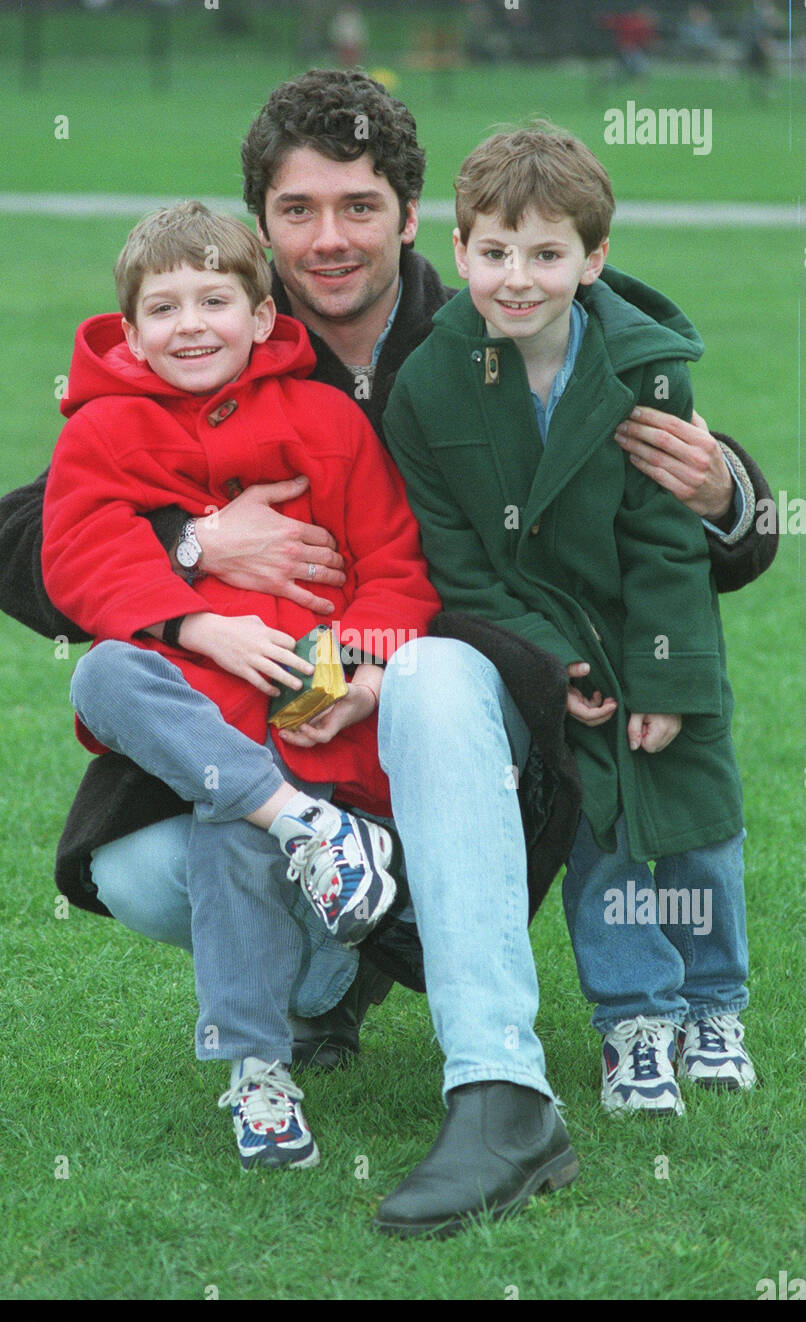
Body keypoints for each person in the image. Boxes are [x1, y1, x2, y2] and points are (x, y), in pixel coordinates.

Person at [0, 70, 777, 1080]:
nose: (330, 238)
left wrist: (726, 494)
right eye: (297, 211)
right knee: (137, 868)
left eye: (359, 205)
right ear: (261, 231)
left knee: (432, 685)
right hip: (279, 734)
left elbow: (655, 472)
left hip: (465, 725)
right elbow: (24, 542)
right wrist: (192, 541)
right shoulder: (224, 355)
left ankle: (492, 1065)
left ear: (411, 217)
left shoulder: (488, 318)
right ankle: (320, 974)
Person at [380, 125, 755, 1226]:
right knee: (602, 820)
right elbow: (457, 563)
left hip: (653, 630)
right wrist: (560, 668)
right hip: (547, 644)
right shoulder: (430, 385)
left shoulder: (641, 367)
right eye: (494, 252)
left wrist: (667, 677)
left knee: (694, 820)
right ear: (457, 249)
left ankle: (713, 1000)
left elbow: (667, 540)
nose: (518, 278)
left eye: (547, 254)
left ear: (593, 258)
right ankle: (634, 1020)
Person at [40, 201, 439, 1169]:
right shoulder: (102, 431)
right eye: (163, 308)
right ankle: (260, 1070)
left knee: (234, 830)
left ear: (264, 316)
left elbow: (394, 564)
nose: (190, 325)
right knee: (101, 673)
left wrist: (358, 661)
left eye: (214, 299)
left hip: (309, 718)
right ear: (128, 334)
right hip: (202, 730)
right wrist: (197, 618)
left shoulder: (325, 419)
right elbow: (76, 554)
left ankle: (279, 1016)